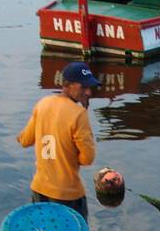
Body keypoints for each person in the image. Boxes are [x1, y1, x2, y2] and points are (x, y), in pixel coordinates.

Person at [16, 61, 99, 219]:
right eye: (83, 87)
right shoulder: (79, 114)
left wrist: (20, 137)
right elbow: (88, 158)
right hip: (68, 195)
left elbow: (25, 140)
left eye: (90, 87)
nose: (88, 92)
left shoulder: (43, 104)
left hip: (40, 190)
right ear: (67, 84)